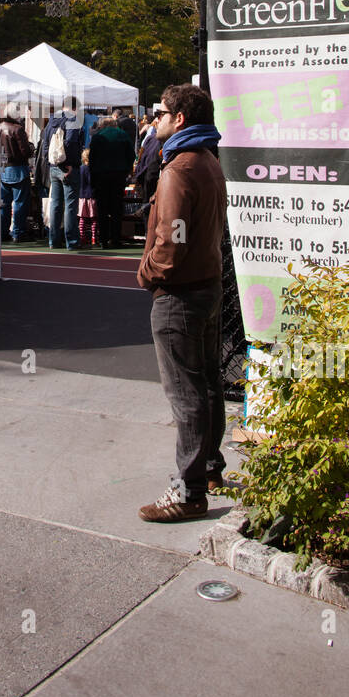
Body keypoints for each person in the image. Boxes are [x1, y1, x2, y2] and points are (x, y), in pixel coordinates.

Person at [136, 83, 227, 523]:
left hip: (182, 294)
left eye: (162, 114)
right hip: (207, 285)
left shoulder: (181, 167)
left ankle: (188, 492)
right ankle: (208, 470)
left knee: (186, 393)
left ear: (180, 120)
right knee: (206, 383)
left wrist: (148, 272)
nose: (156, 121)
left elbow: (172, 241)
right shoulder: (208, 159)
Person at [40, 96, 83, 250]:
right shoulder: (73, 120)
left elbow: (45, 143)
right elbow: (71, 142)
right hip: (67, 167)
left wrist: (50, 162)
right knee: (70, 205)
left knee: (56, 204)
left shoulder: (52, 121)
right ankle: (71, 241)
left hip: (53, 166)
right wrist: (69, 163)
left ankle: (53, 240)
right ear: (75, 107)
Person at [88, 115, 135, 249]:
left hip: (100, 176)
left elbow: (92, 158)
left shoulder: (98, 136)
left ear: (102, 125)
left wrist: (93, 176)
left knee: (102, 209)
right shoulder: (123, 135)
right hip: (119, 175)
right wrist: (126, 170)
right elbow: (131, 155)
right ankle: (116, 238)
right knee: (116, 208)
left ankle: (103, 239)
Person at [0, 104, 32, 243]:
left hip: (3, 169)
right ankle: (17, 233)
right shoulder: (18, 129)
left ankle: (2, 232)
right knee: (19, 203)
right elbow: (25, 151)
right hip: (18, 169)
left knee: (4, 204)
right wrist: (31, 148)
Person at [78, 148, 100, 247]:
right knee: (94, 219)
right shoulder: (92, 169)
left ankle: (82, 237)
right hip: (92, 196)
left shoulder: (80, 168)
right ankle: (94, 237)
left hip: (82, 197)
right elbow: (92, 181)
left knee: (82, 218)